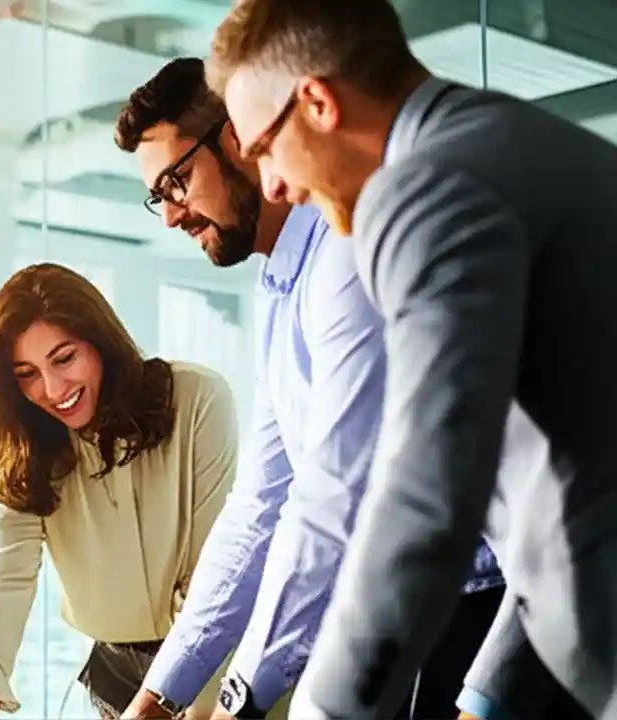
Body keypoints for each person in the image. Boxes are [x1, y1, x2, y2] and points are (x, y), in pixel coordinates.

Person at [206, 0, 617, 718]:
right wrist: (489, 698)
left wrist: (323, 712)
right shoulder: (514, 146)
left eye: (264, 147)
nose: (270, 185)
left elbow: (428, 490)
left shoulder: (427, 188)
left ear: (318, 102)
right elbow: (581, 477)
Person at [111, 56, 510, 720]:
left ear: (239, 137)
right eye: (159, 195)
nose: (172, 217)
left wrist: (237, 702)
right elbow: (259, 506)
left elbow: (333, 497)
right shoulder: (280, 285)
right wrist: (157, 698)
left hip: (489, 606)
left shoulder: (348, 252)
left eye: (178, 182)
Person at [0, 262, 238, 720]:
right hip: (114, 677)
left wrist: (183, 708)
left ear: (99, 342)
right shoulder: (28, 449)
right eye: (26, 373)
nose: (53, 389)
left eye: (63, 358)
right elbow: (8, 578)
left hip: (218, 664)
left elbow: (209, 578)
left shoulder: (198, 398)